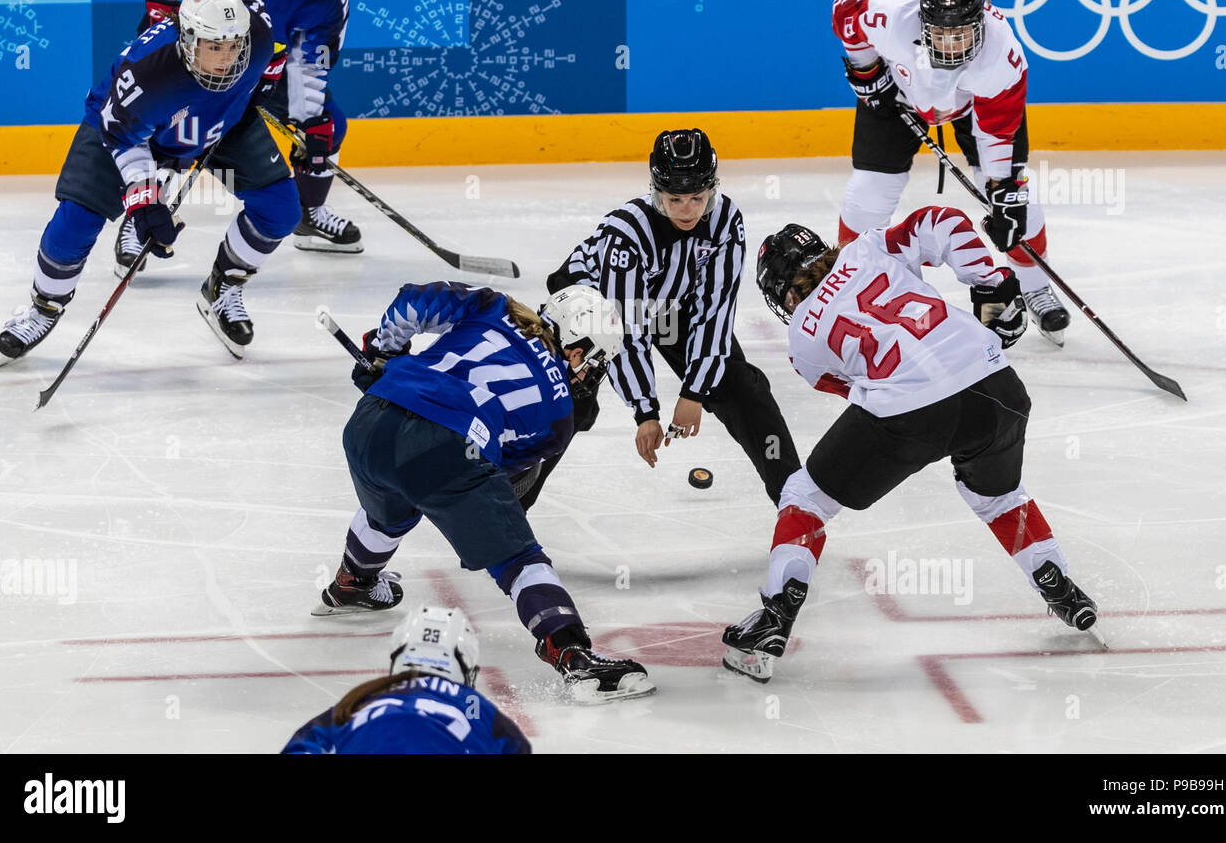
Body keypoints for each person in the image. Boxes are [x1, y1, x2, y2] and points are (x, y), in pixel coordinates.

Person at [721, 205, 1100, 683]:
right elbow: (939, 219)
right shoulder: (867, 247)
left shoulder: (802, 340)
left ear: (781, 293)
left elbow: (855, 393)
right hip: (997, 388)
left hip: (911, 412)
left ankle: (775, 619)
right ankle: (1061, 588)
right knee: (999, 497)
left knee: (806, 498)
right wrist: (990, 279)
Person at [312, 280, 656, 704]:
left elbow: (411, 302)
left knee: (392, 501)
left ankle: (353, 581)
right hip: (447, 445)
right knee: (519, 558)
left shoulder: (498, 307)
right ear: (577, 350)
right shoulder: (560, 414)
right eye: (594, 363)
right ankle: (572, 652)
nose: (589, 375)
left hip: (368, 423)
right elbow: (500, 467)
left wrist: (387, 355)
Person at [0, 0, 299, 366]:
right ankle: (43, 308)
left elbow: (270, 41)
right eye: (214, 47)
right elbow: (121, 136)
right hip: (122, 128)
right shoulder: (146, 74)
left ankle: (223, 284)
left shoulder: (256, 30)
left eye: (233, 46)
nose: (226, 60)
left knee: (281, 210)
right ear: (187, 40)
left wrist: (265, 86)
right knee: (74, 223)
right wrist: (144, 202)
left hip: (221, 120)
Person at [518, 128, 802, 510]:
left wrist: (694, 392)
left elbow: (714, 310)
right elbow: (625, 327)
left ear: (712, 190)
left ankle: (797, 500)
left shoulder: (725, 222)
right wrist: (645, 411)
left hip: (668, 306)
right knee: (570, 398)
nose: (687, 210)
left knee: (739, 385)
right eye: (675, 199)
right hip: (594, 305)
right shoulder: (627, 234)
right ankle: (507, 508)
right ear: (656, 193)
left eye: (697, 198)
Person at [831, 0, 1072, 345]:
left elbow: (996, 133)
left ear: (979, 24)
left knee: (1020, 207)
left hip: (973, 107)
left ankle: (1035, 286)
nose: (950, 45)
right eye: (940, 34)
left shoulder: (1001, 55)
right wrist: (868, 74)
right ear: (923, 23)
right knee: (868, 194)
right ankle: (843, 286)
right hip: (899, 97)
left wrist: (1001, 193)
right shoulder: (894, 18)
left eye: (960, 34)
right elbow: (845, 12)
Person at [116, 0, 358, 265]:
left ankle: (309, 214)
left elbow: (309, 63)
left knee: (329, 124)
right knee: (178, 133)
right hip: (204, 60)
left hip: (265, 67)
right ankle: (142, 216)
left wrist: (308, 117)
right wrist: (161, 15)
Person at [283, 604, 531, 754]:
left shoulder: (362, 700)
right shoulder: (471, 703)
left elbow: (304, 744)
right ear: (464, 663)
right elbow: (515, 747)